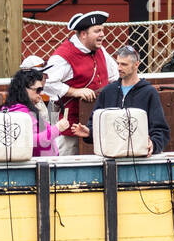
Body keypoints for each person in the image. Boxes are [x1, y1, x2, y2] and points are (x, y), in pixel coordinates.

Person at [43, 11, 118, 155]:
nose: (102, 34)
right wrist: (75, 91)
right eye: (97, 31)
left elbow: (114, 75)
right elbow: (46, 83)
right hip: (70, 126)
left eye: (102, 30)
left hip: (98, 122)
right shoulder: (63, 57)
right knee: (64, 166)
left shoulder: (99, 49)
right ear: (83, 34)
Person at [89, 45, 170, 154]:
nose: (119, 68)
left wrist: (154, 144)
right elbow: (95, 122)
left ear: (136, 65)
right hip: (111, 155)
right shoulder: (108, 91)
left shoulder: (149, 92)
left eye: (124, 64)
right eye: (118, 63)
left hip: (139, 156)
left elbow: (160, 129)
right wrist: (89, 132)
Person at [3, 67, 87, 156]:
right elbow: (31, 142)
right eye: (38, 90)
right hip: (38, 166)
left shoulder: (22, 110)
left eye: (41, 89)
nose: (41, 93)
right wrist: (57, 129)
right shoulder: (21, 114)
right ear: (23, 89)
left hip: (42, 164)